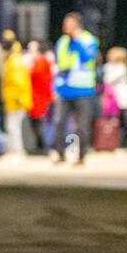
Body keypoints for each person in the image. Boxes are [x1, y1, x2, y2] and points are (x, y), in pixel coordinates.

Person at [50, 12, 99, 165]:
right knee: (59, 122)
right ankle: (60, 153)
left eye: (68, 23)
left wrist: (77, 41)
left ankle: (81, 154)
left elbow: (87, 58)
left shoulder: (89, 40)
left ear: (77, 25)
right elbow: (60, 64)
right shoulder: (62, 41)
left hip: (83, 88)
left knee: (82, 126)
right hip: (64, 89)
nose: (65, 26)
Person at [0, 40, 32, 160]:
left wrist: (19, 98)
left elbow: (19, 82)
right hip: (15, 99)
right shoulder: (15, 60)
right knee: (13, 126)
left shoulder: (14, 61)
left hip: (16, 100)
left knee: (13, 127)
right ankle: (15, 151)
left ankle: (17, 152)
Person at [101, 47, 127, 146]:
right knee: (113, 120)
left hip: (120, 97)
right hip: (111, 98)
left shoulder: (121, 67)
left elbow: (108, 79)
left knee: (124, 119)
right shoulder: (108, 66)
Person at [27, 40, 54, 154]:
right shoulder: (44, 61)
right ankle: (40, 146)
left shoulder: (41, 62)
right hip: (40, 95)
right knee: (38, 122)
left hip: (38, 96)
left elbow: (34, 75)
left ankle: (42, 147)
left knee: (38, 122)